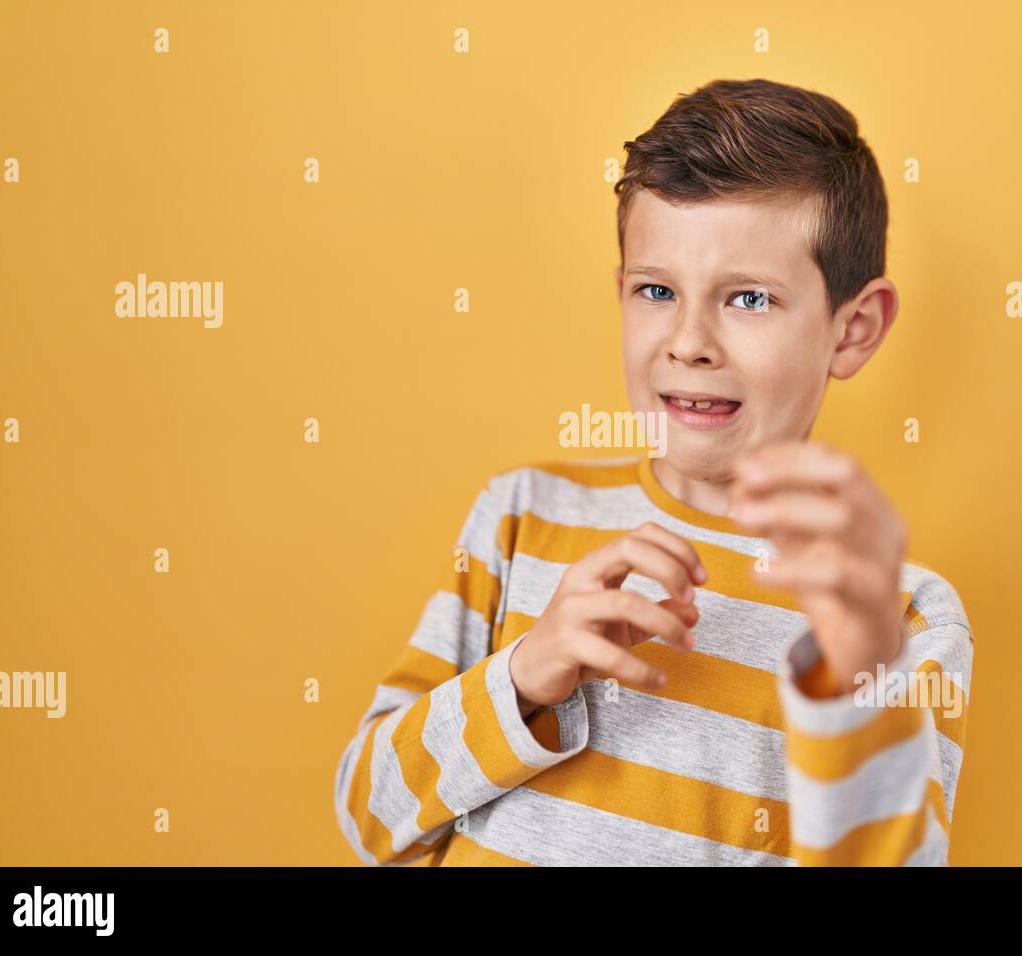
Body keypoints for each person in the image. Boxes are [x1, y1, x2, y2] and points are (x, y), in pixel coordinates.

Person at [334, 78, 974, 866]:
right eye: (657, 290)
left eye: (748, 299)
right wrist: (525, 676)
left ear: (854, 330)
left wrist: (859, 679)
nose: (688, 341)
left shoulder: (899, 612)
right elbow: (368, 817)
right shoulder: (520, 514)